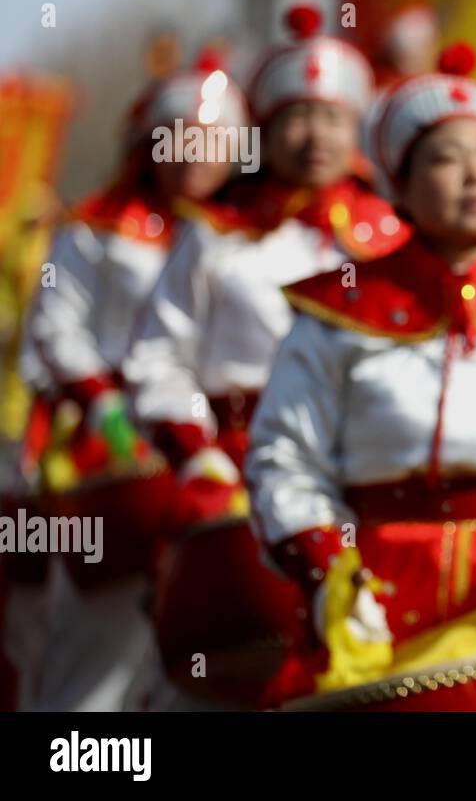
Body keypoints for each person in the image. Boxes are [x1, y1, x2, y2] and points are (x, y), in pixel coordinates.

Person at [244, 44, 476, 700]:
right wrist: (327, 567)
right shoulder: (336, 314)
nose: (475, 176)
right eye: (446, 158)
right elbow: (284, 456)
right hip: (374, 591)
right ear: (400, 185)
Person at [121, 3, 406, 707]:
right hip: (233, 480)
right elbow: (158, 359)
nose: (315, 136)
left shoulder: (396, 239)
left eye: (333, 118)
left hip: (364, 485)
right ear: (265, 131)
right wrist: (200, 457)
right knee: (214, 675)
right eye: (296, 119)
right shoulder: (215, 236)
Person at [14, 53, 247, 710]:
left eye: (214, 144)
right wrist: (105, 405)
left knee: (211, 649)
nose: (196, 157)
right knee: (97, 644)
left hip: (219, 462)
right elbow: (53, 328)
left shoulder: (245, 238)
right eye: (182, 140)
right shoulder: (95, 229)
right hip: (110, 458)